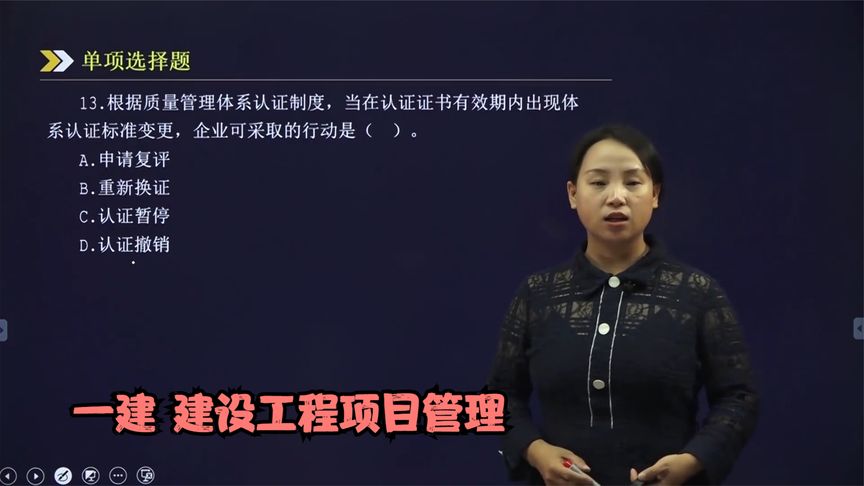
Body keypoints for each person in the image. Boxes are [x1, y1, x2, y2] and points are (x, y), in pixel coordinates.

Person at [487, 125, 760, 485]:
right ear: (573, 194)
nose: (616, 197)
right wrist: (536, 452)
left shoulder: (698, 294)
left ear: (655, 194)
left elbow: (738, 397)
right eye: (599, 182)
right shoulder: (537, 294)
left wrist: (692, 460)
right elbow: (500, 397)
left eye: (633, 183)